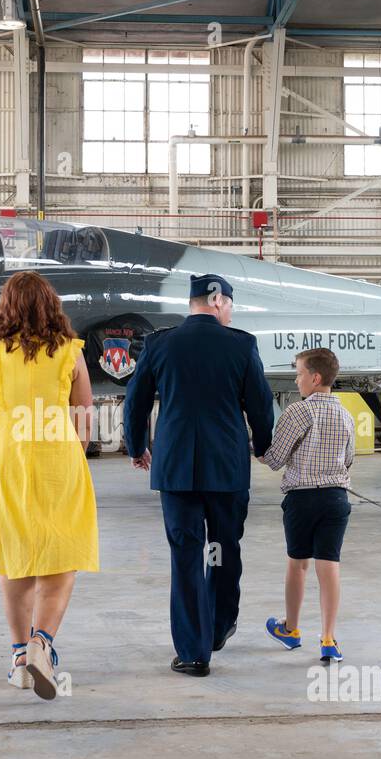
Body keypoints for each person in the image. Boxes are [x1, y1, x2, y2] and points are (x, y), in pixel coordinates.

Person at [0, 271, 99, 701]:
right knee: (61, 552)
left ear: (5, 307)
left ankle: (18, 659)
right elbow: (84, 412)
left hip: (6, 463)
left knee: (15, 557)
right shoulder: (71, 351)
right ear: (52, 305)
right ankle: (41, 644)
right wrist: (74, 451)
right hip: (58, 459)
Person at [122, 273, 275, 677]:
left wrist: (137, 447)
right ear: (220, 302)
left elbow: (134, 403)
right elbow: (260, 404)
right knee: (223, 549)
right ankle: (219, 626)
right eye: (231, 305)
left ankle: (192, 652)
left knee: (187, 554)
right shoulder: (242, 345)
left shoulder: (160, 343)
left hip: (175, 471)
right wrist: (263, 446)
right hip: (226, 469)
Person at [259, 348, 355, 664]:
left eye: (299, 373)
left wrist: (249, 445)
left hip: (302, 499)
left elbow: (274, 459)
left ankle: (292, 629)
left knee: (298, 563)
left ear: (315, 378)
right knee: (329, 565)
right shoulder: (346, 415)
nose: (296, 379)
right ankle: (328, 639)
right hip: (336, 499)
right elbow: (350, 459)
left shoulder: (298, 412)